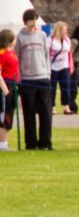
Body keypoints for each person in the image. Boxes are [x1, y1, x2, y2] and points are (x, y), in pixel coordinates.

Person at [14, 9, 54, 151]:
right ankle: (30, 143)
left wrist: (48, 73)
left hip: (42, 77)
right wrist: (19, 77)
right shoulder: (20, 37)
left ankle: (45, 142)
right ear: (26, 21)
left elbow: (46, 55)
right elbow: (17, 57)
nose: (34, 22)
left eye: (35, 19)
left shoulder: (42, 35)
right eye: (32, 19)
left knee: (46, 112)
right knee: (29, 113)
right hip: (27, 79)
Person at [48, 21, 74, 115]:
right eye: (64, 29)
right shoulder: (51, 40)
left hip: (64, 66)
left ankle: (66, 106)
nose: (65, 31)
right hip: (53, 67)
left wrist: (71, 65)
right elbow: (47, 54)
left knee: (65, 87)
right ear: (59, 30)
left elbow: (69, 53)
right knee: (52, 87)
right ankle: (52, 106)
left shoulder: (67, 40)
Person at [0, 29, 18, 151]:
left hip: (13, 84)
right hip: (5, 86)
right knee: (4, 114)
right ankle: (2, 143)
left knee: (9, 113)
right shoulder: (2, 54)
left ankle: (4, 142)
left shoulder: (11, 53)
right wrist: (5, 90)